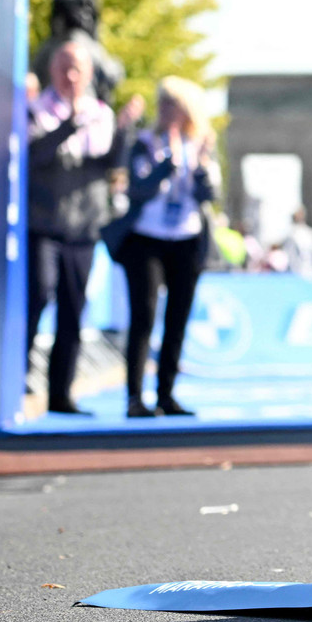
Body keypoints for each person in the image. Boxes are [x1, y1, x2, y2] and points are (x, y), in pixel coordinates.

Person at [27, 42, 138, 416]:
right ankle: (20, 372)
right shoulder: (35, 109)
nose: (70, 76)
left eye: (77, 68)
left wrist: (123, 130)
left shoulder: (101, 114)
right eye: (63, 67)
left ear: (89, 73)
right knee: (38, 294)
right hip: (44, 224)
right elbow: (36, 155)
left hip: (83, 229)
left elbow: (111, 163)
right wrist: (69, 122)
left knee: (74, 311)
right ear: (52, 70)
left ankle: (61, 392)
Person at [116, 77, 217, 419]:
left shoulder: (201, 144)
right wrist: (166, 163)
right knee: (143, 316)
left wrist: (200, 166)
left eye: (174, 104)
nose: (166, 110)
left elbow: (208, 197)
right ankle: (134, 396)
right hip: (146, 238)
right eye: (162, 103)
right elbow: (139, 189)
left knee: (177, 318)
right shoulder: (145, 143)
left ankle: (166, 394)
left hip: (186, 241)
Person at [280, 207, 312, 277]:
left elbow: (289, 258)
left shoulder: (292, 235)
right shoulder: (311, 234)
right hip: (311, 274)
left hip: (298, 276)